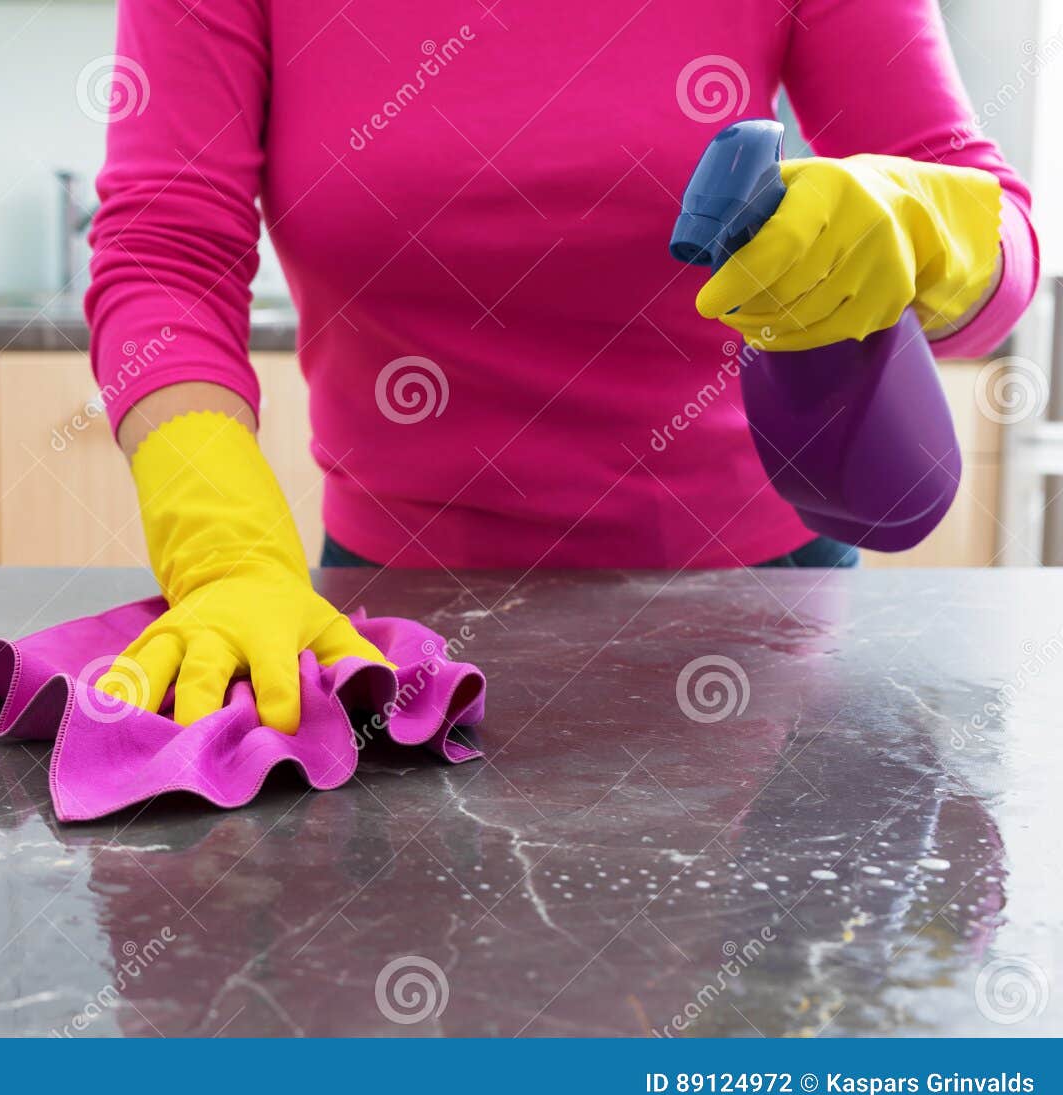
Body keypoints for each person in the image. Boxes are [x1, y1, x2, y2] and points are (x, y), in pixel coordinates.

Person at [84, 0, 1038, 733]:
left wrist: (921, 225)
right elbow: (167, 253)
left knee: (756, 981)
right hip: (394, 619)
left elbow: (992, 228)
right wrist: (223, 553)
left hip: (762, 607)